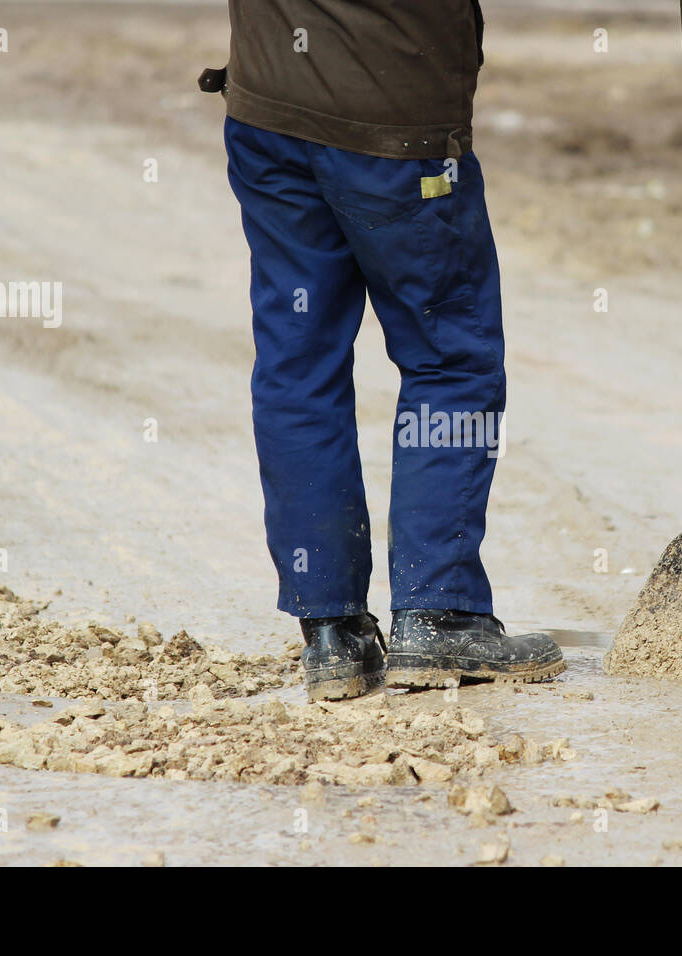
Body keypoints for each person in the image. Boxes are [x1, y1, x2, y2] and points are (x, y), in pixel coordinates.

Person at [205, 0, 565, 700]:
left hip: (270, 115)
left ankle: (332, 634)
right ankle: (440, 612)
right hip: (393, 131)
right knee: (449, 358)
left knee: (297, 361)